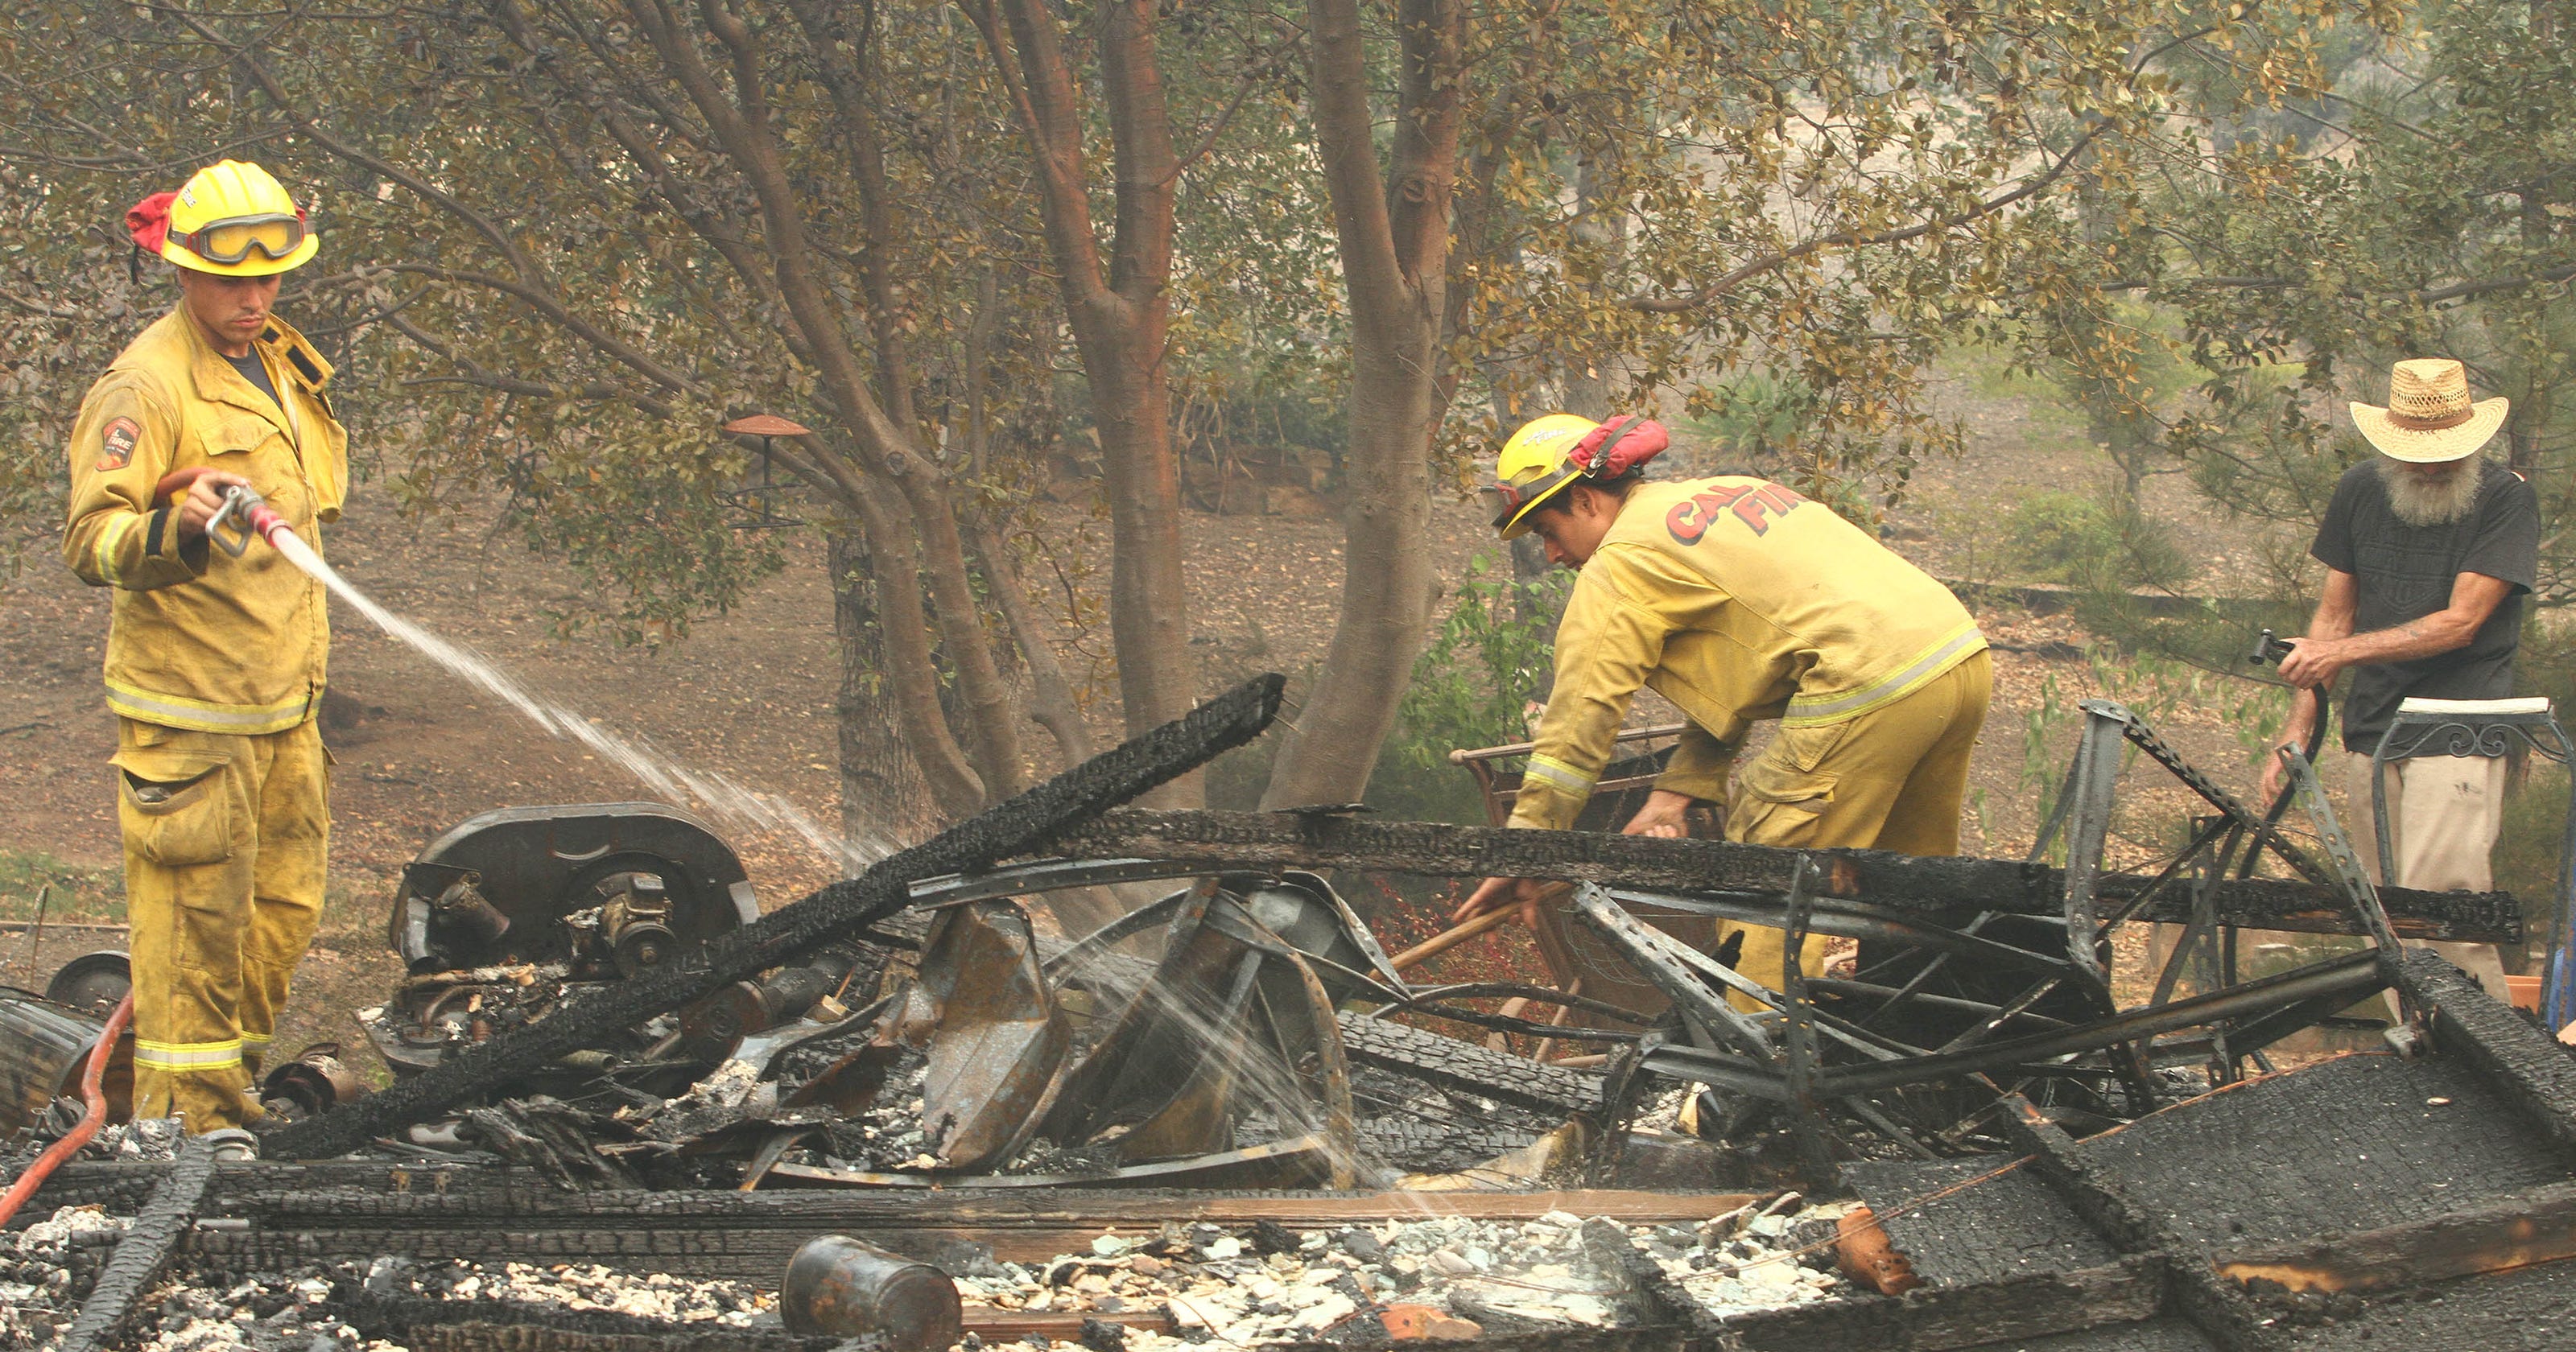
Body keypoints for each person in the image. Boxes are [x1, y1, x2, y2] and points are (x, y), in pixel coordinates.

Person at [1453, 414, 1991, 1003]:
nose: (1553, 554)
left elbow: (1578, 722)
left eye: (1548, 530)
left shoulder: (1622, 561)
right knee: (1914, 882)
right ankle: (1931, 1053)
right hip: (1955, 657)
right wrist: (1680, 787)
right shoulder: (1727, 493)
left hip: (1865, 682)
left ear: (1584, 499)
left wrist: (1528, 848)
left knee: (1766, 888)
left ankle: (1751, 1075)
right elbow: (1749, 672)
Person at [62, 159, 348, 1134]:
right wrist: (174, 530)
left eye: (271, 279)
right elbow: (88, 541)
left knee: (283, 910)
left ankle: (227, 1095)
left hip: (284, 703)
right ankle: (185, 1133)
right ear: (183, 270)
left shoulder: (279, 358)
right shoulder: (146, 383)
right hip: (189, 719)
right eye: (232, 281)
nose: (253, 298)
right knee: (195, 930)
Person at [2264, 358, 2536, 1002]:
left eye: (2446, 453)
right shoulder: (2360, 489)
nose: (2432, 466)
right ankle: (2416, 1056)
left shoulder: (2505, 498)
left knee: (2444, 903)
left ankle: (2490, 1066)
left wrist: (2340, 654)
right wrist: (2300, 727)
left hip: (2461, 722)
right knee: (2380, 910)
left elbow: (2462, 622)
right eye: (2418, 453)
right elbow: (2332, 617)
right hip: (2373, 722)